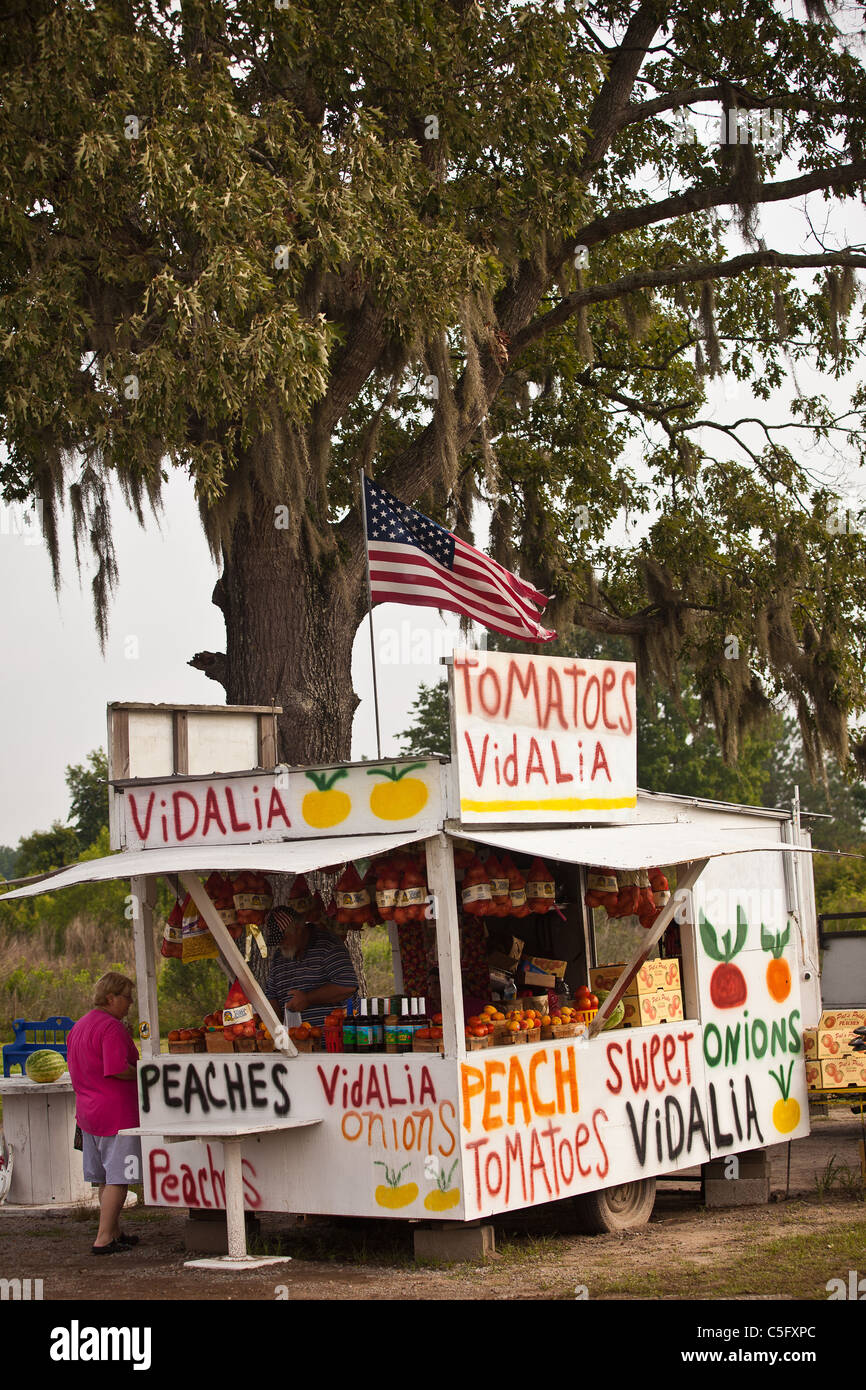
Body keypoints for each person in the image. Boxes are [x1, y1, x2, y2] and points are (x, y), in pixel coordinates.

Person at [66, 971, 142, 1255]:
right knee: (118, 1178)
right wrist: (142, 1074)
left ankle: (114, 1230)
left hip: (87, 1111)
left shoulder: (80, 1026)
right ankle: (103, 1238)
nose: (130, 1003)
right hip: (116, 1113)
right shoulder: (111, 1027)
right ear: (111, 997)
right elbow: (116, 1068)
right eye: (127, 998)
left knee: (104, 1177)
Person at [266, 909, 359, 1027]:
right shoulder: (279, 957)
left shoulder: (328, 946)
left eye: (283, 938)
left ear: (298, 928)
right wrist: (279, 1028)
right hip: (294, 1040)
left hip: (333, 1038)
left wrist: (308, 998)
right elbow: (271, 995)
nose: (280, 944)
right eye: (277, 941)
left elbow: (347, 986)